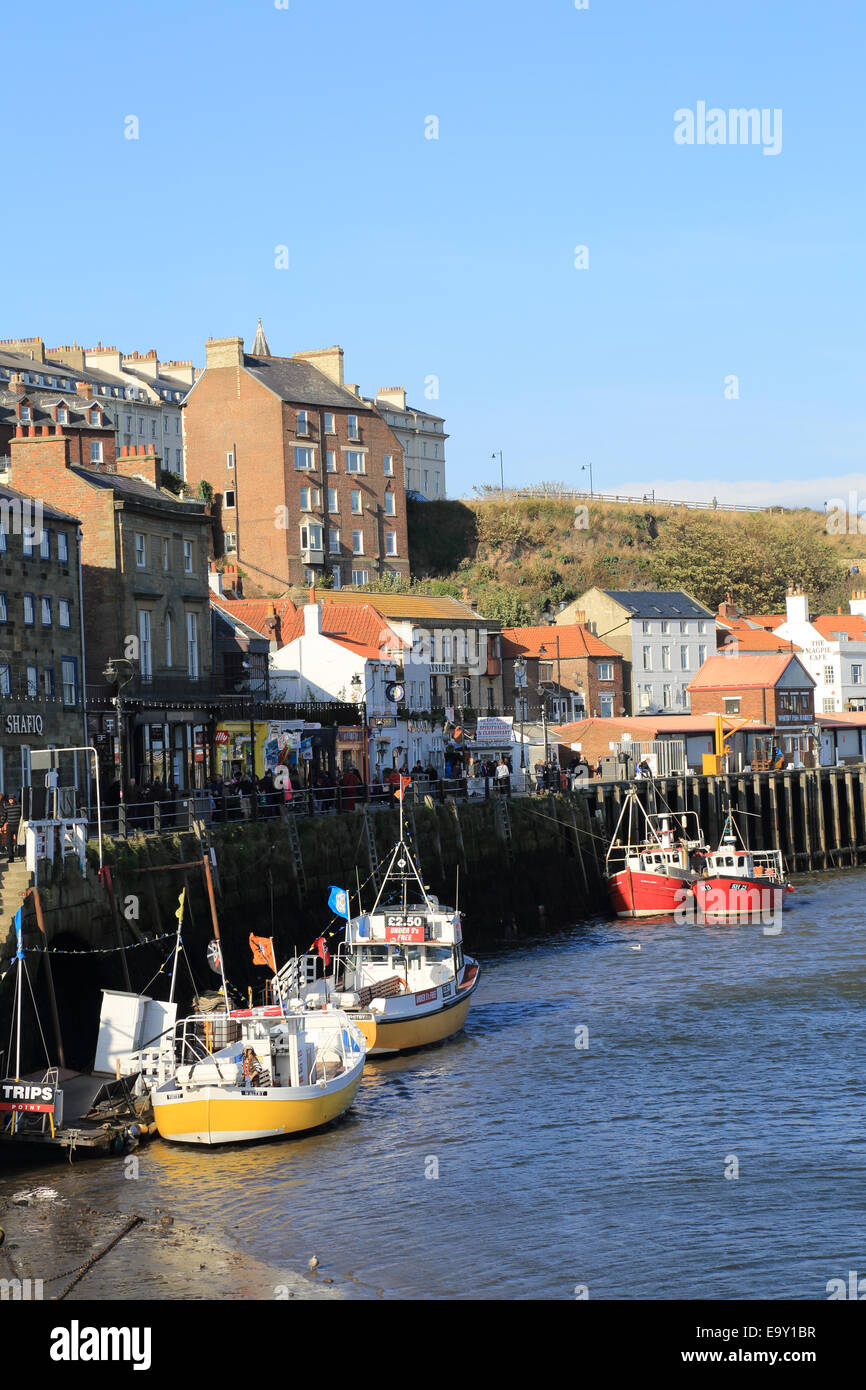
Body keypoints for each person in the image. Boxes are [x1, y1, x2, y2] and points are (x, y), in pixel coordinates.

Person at [4, 795, 22, 863]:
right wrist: (0, 825)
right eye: (9, 799)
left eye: (11, 799)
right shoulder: (7, 806)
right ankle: (11, 858)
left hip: (18, 826)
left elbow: (22, 815)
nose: (10, 800)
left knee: (20, 841)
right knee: (9, 842)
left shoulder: (19, 805)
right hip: (10, 826)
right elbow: (4, 817)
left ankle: (21, 855)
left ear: (14, 799)